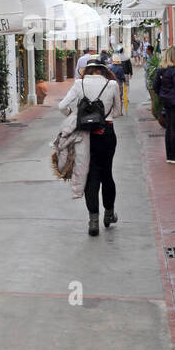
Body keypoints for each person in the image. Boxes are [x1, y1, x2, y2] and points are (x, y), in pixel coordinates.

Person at [59, 60, 123, 236]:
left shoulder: (79, 84)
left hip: (86, 134)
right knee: (107, 174)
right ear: (103, 71)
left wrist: (74, 115)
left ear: (86, 70)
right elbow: (118, 112)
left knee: (91, 175)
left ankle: (93, 220)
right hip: (107, 133)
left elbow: (61, 106)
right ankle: (109, 214)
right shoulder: (111, 85)